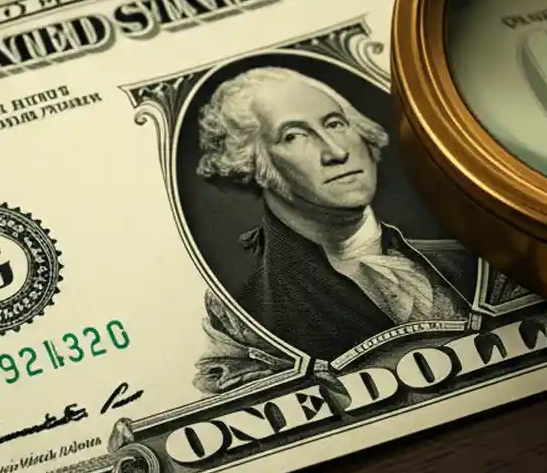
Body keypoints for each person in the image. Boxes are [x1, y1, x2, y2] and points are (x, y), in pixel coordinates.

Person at [196, 66, 479, 359]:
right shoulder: (253, 322)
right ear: (251, 162)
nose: (336, 152)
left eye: (335, 124)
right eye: (293, 136)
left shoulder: (465, 260)